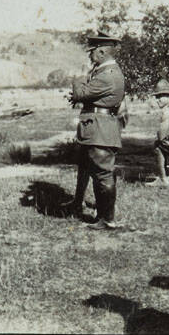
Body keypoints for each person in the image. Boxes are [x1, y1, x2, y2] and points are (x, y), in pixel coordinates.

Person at [64, 31, 126, 230]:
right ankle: (93, 211)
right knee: (93, 170)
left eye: (91, 52)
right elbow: (85, 96)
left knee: (103, 175)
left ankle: (107, 220)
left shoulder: (107, 76)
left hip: (100, 130)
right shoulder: (103, 73)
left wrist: (80, 77)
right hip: (97, 127)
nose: (90, 56)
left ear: (100, 52)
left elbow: (81, 92)